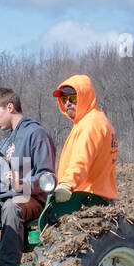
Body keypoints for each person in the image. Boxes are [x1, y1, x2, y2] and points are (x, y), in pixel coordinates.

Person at [0, 88, 56, 266]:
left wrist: (20, 183)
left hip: (30, 200)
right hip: (4, 198)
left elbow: (47, 178)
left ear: (10, 107)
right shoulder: (3, 143)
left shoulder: (36, 134)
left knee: (11, 207)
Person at [52, 75, 118, 203]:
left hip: (87, 200)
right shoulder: (92, 121)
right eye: (64, 99)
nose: (67, 103)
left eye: (72, 98)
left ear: (85, 96)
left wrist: (67, 184)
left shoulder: (91, 124)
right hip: (94, 197)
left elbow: (81, 160)